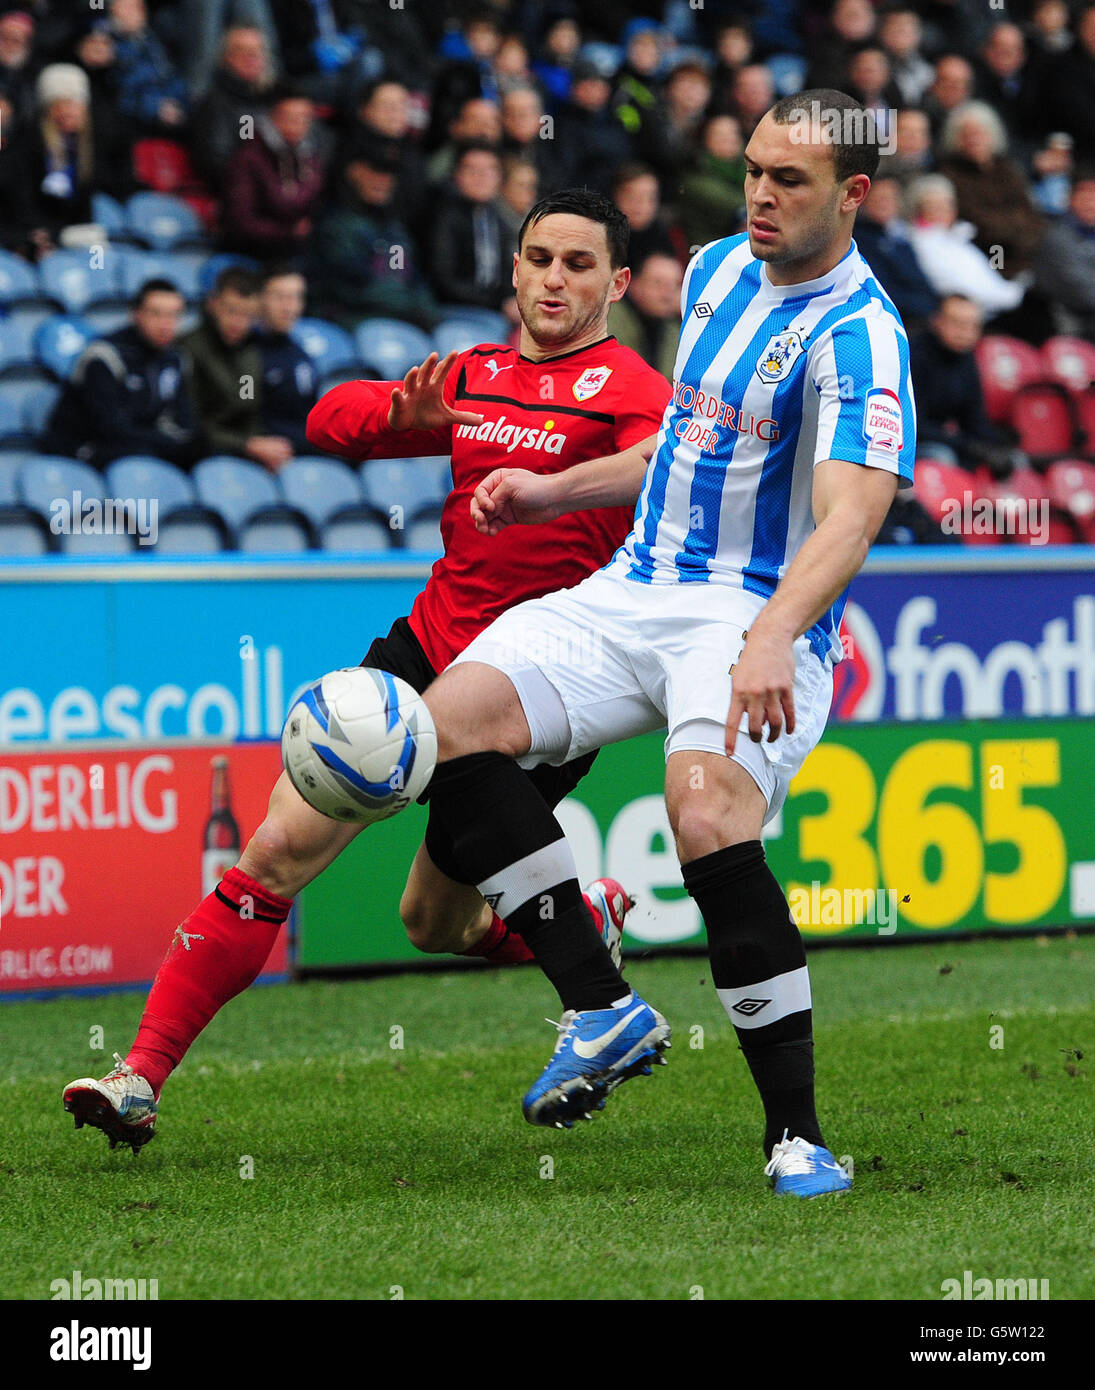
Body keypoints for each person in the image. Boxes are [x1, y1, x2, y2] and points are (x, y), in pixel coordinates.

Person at [61, 187, 674, 1153]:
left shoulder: (632, 386)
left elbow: (673, 458)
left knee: (433, 921)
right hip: (422, 655)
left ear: (618, 283)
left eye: (580, 263)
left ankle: (576, 922)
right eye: (540, 258)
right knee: (272, 852)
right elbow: (325, 422)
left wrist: (562, 494)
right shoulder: (472, 374)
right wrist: (399, 409)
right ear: (513, 269)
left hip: (537, 684)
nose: (555, 278)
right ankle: (139, 1075)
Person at [409, 88, 915, 1190]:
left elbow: (852, 515)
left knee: (702, 813)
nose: (761, 195)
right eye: (753, 169)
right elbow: (676, 450)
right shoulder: (719, 269)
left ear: (854, 195)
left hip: (751, 613)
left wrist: (777, 633)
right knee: (435, 727)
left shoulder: (861, 334)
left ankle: (796, 1136)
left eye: (790, 180)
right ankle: (600, 1004)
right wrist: (552, 493)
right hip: (634, 585)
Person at [42, 278, 196, 469]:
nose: (166, 324)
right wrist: (164, 441)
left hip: (142, 444)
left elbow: (184, 420)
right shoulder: (104, 356)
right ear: (136, 314)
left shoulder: (176, 359)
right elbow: (110, 427)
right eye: (156, 314)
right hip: (85, 447)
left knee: (202, 452)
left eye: (174, 315)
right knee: (144, 456)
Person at [180, 265, 291, 471]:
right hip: (200, 451)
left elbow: (246, 406)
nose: (238, 323)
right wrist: (248, 445)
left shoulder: (248, 351)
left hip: (238, 448)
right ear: (213, 304)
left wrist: (260, 444)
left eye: (247, 315)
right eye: (231, 311)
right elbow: (190, 425)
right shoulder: (188, 349)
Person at [219, 84, 325, 261]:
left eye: (304, 118)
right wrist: (289, 231)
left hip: (296, 252)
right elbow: (240, 222)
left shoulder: (311, 156)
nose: (297, 125)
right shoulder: (248, 158)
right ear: (271, 118)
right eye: (289, 117)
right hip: (250, 254)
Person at [909, 294, 1001, 472]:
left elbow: (974, 418)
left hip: (947, 440)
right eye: (957, 324)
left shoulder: (966, 359)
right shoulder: (914, 355)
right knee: (944, 458)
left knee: (1013, 460)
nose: (965, 333)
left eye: (973, 326)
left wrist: (994, 444)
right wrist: (966, 444)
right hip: (908, 444)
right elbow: (913, 423)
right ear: (937, 321)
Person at [428, 141, 517, 318]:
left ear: (499, 178)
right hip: (453, 311)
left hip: (495, 313)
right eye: (472, 170)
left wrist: (511, 300)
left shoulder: (500, 219)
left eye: (489, 171)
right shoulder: (441, 217)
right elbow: (443, 282)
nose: (481, 177)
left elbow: (509, 273)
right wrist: (498, 304)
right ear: (457, 175)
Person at [256, 264, 316, 456]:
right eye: (280, 297)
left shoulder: (302, 357)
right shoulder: (245, 354)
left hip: (303, 448)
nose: (290, 307)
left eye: (297, 297)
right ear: (260, 299)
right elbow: (244, 412)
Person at [607, 250, 681, 378]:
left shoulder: (675, 330)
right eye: (658, 283)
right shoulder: (610, 319)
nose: (667, 294)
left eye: (675, 285)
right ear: (634, 285)